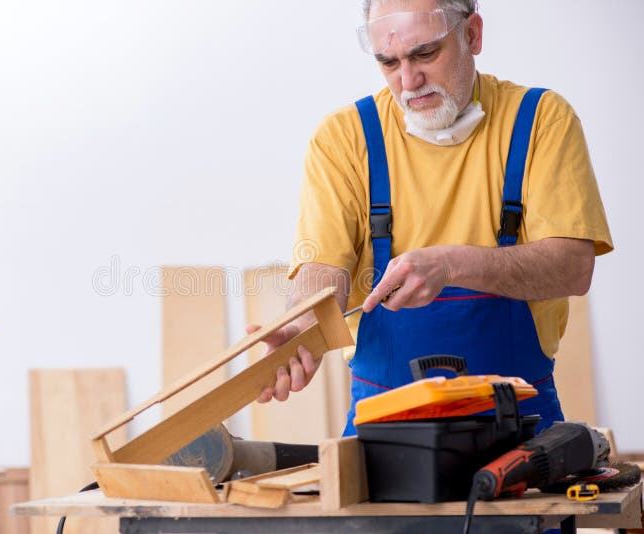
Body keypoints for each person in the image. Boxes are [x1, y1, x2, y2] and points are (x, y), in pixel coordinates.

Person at [247, 0, 613, 435]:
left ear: (472, 34)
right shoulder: (344, 138)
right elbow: (324, 267)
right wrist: (304, 324)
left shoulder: (540, 121)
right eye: (388, 62)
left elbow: (572, 267)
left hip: (520, 430)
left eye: (425, 54)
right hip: (384, 436)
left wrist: (450, 265)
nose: (408, 81)